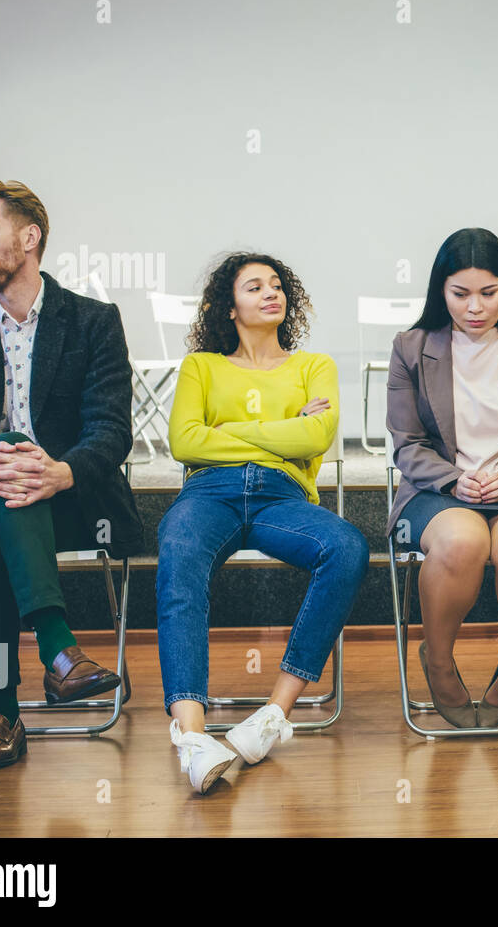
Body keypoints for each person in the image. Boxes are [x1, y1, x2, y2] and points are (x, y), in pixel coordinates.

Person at [0, 179, 142, 772]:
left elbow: (109, 430)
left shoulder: (94, 322)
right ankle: (60, 653)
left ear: (30, 236)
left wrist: (60, 471)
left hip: (75, 499)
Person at [157, 252, 369, 792]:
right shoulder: (201, 367)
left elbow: (317, 438)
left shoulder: (313, 366)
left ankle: (273, 715)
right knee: (180, 550)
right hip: (209, 494)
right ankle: (193, 737)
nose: (270, 293)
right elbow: (183, 442)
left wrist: (226, 429)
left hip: (282, 497)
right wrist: (280, 428)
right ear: (229, 307)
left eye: (276, 285)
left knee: (345, 547)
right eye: (254, 287)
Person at [386, 228, 498, 729]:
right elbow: (407, 443)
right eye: (460, 294)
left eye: (489, 293)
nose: (475, 308)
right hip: (436, 490)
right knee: (461, 542)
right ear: (440, 291)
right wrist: (453, 480)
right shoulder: (412, 348)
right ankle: (439, 663)